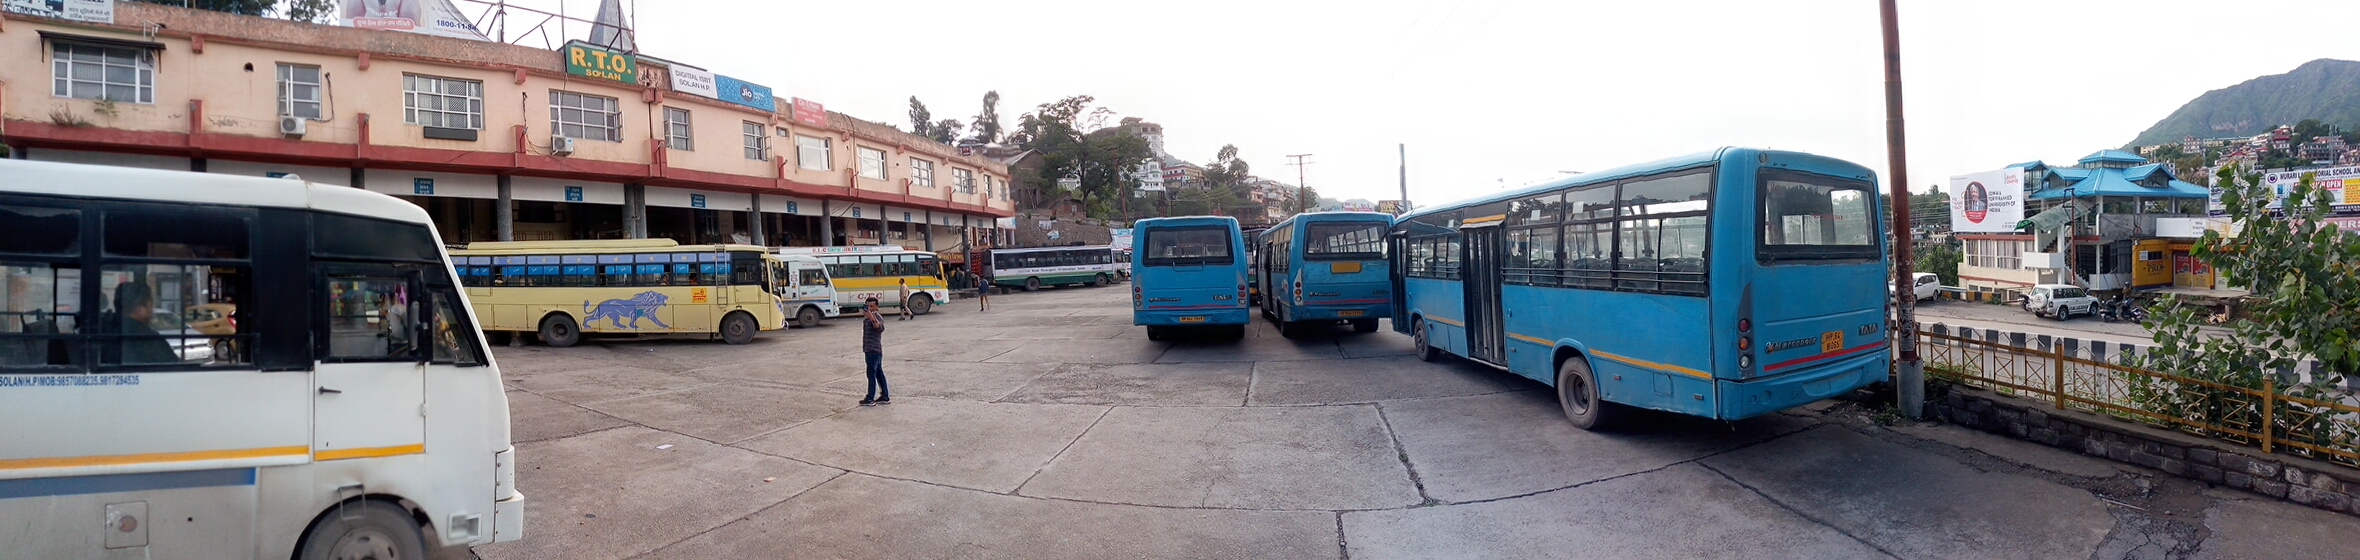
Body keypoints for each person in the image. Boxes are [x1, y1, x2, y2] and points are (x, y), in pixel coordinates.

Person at [103, 281, 177, 365]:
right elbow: (174, 368)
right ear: (140, 310)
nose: (152, 311)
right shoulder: (149, 340)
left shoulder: (104, 331)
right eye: (150, 306)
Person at [859, 297, 891, 406]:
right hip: (869, 350)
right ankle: (885, 396)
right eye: (867, 306)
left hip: (874, 350)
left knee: (871, 374)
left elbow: (879, 327)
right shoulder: (866, 320)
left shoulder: (877, 317)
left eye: (872, 306)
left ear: (877, 307)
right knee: (878, 373)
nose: (869, 309)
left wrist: (871, 317)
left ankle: (870, 398)